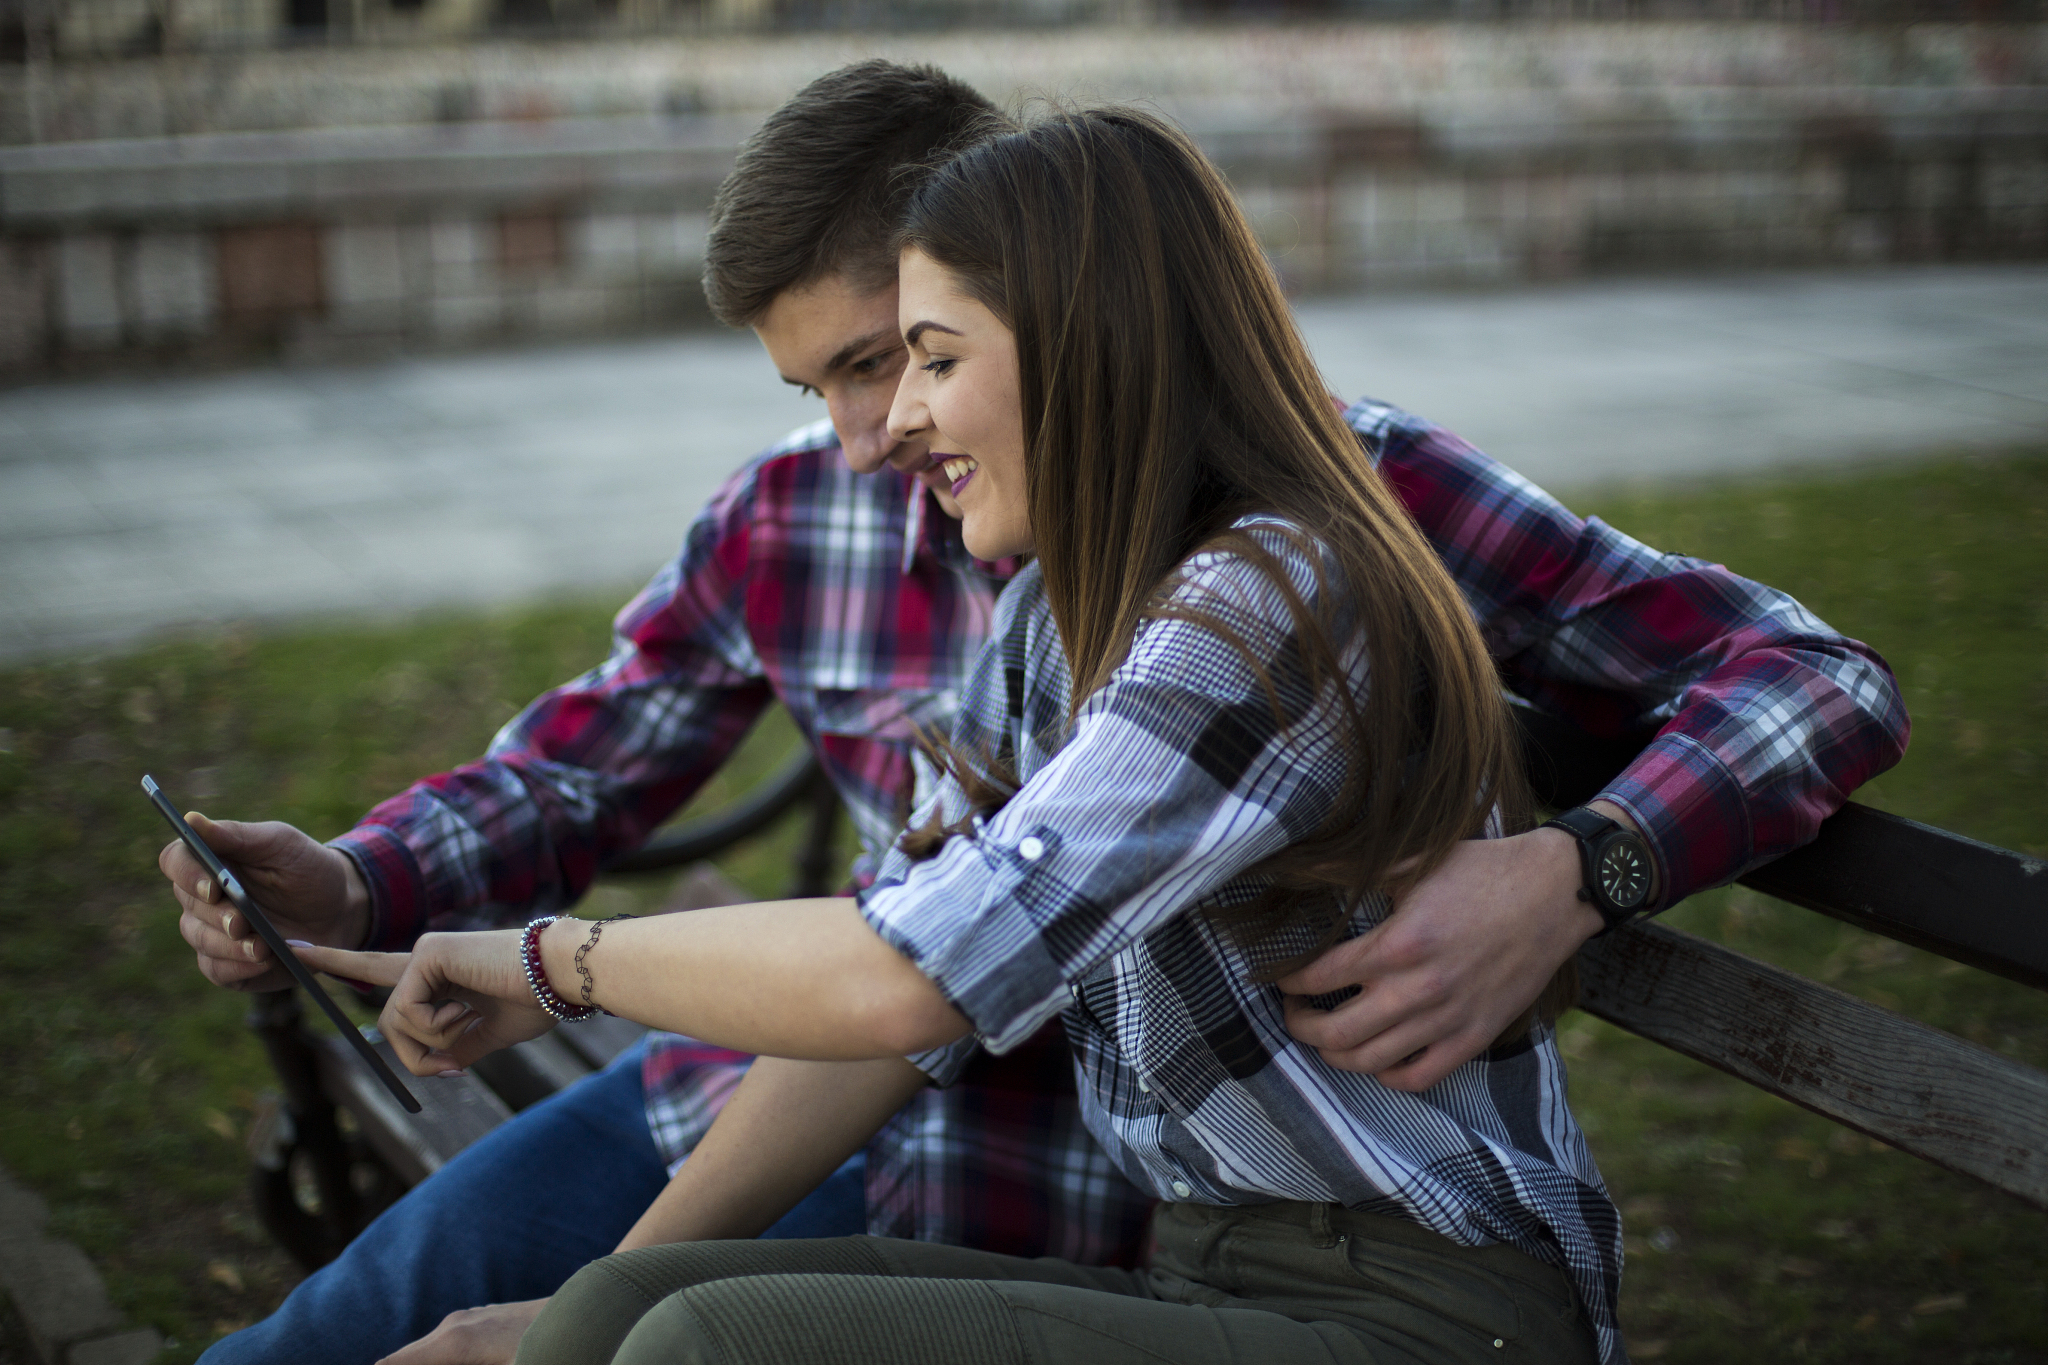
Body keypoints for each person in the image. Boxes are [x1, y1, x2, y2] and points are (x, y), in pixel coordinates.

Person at [158, 61, 1907, 1365]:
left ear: (1068, 329)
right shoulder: (1027, 616)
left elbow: (911, 969)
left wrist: (1584, 869)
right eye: (857, 370)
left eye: (911, 358)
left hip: (1302, 1259)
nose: (876, 435)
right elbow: (860, 954)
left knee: (680, 1346)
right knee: (594, 1313)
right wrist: (559, 1307)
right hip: (1140, 1226)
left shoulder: (1287, 572)